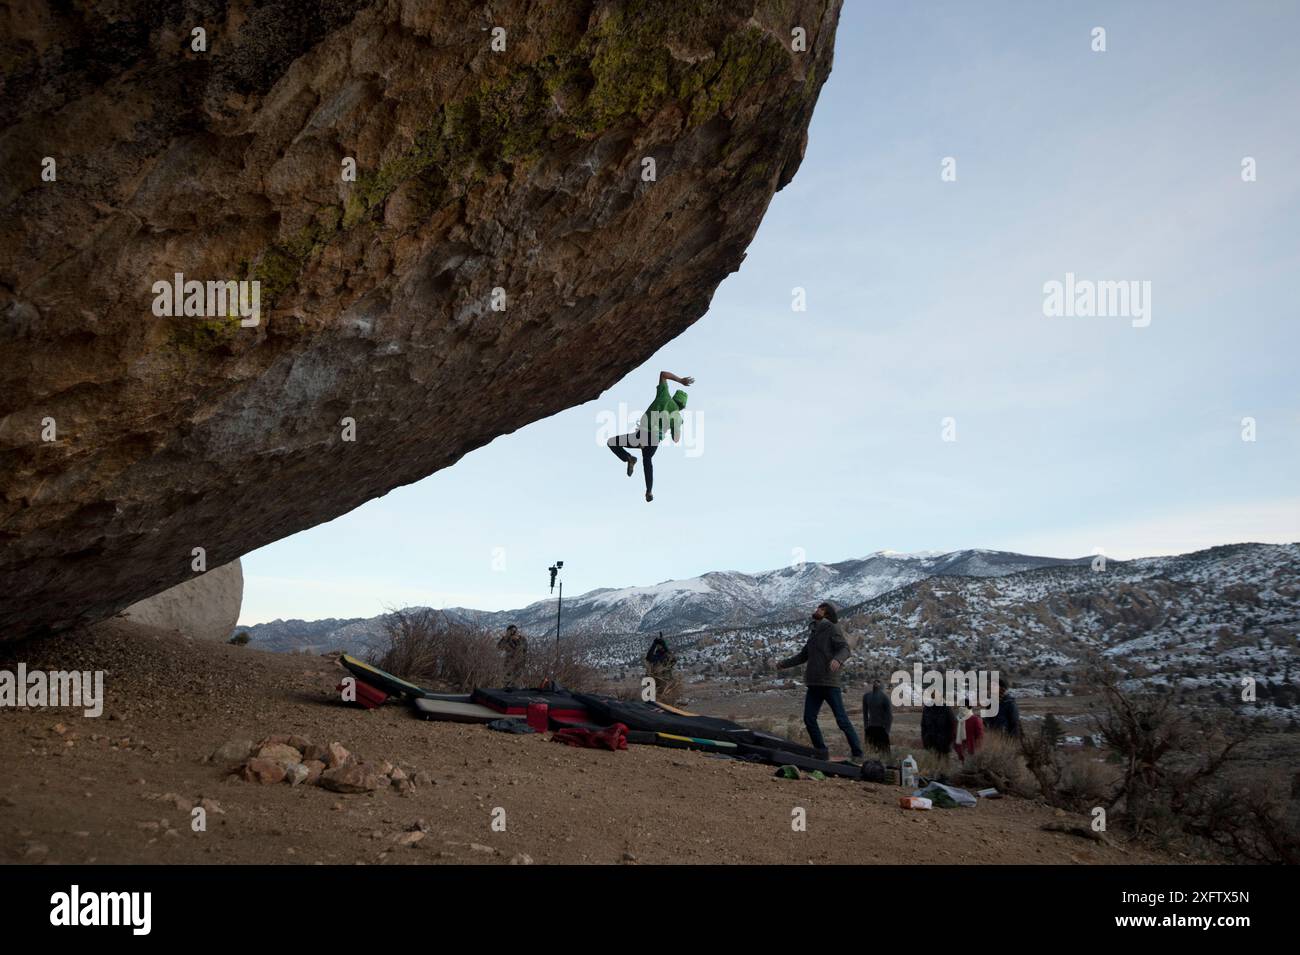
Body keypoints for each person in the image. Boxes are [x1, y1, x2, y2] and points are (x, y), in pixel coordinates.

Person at [776, 601, 865, 762]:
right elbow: (803, 656)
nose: (817, 610)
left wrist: (838, 660)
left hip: (829, 682)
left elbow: (845, 648)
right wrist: (784, 664)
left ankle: (858, 754)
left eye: (821, 609)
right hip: (814, 683)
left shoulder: (832, 628)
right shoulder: (814, 632)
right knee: (809, 719)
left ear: (827, 614)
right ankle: (821, 752)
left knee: (842, 720)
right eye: (818, 607)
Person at [607, 371, 693, 502]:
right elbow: (676, 440)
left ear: (675, 397)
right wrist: (677, 426)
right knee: (647, 461)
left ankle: (628, 458)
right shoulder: (677, 416)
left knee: (612, 442)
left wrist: (680, 380)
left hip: (642, 434)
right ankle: (649, 491)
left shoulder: (664, 396)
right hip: (653, 442)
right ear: (682, 406)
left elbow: (663, 374)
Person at [862, 680, 893, 754]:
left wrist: (887, 730)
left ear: (881, 685)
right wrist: (866, 727)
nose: (876, 684)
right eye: (875, 682)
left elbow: (889, 716)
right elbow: (865, 713)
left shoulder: (885, 697)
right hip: (870, 728)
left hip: (881, 728)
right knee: (870, 752)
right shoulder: (866, 696)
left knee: (884, 753)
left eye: (878, 682)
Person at [645, 632, 677, 700]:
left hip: (664, 683)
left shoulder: (667, 656)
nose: (659, 647)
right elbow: (649, 658)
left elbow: (673, 660)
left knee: (663, 701)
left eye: (660, 646)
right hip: (655, 682)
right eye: (658, 646)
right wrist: (654, 644)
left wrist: (664, 646)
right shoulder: (657, 655)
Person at [952, 697, 984, 761]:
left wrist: (978, 749)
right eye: (960, 706)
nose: (961, 708)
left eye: (963, 706)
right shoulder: (957, 720)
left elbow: (979, 736)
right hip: (959, 750)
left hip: (972, 749)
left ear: (968, 707)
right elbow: (954, 735)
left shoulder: (975, 719)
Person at [497, 624, 527, 688]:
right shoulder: (506, 639)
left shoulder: (522, 639)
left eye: (514, 631)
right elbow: (499, 647)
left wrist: (517, 640)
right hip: (508, 663)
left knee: (517, 681)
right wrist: (505, 638)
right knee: (506, 680)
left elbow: (524, 649)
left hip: (519, 663)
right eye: (510, 631)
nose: (512, 632)